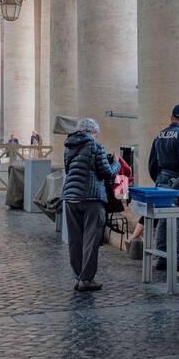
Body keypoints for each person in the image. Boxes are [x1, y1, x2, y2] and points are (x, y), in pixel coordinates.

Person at [61, 118, 118, 292]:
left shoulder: (68, 146)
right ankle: (86, 279)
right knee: (91, 239)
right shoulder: (95, 146)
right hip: (91, 197)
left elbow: (68, 170)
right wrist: (115, 161)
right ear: (93, 131)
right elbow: (107, 172)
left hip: (70, 196)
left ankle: (79, 276)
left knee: (75, 239)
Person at [147, 104, 179, 272]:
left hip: (161, 181)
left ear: (171, 118)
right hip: (177, 182)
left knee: (162, 220)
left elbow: (152, 163)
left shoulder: (159, 135)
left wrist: (159, 179)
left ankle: (160, 258)